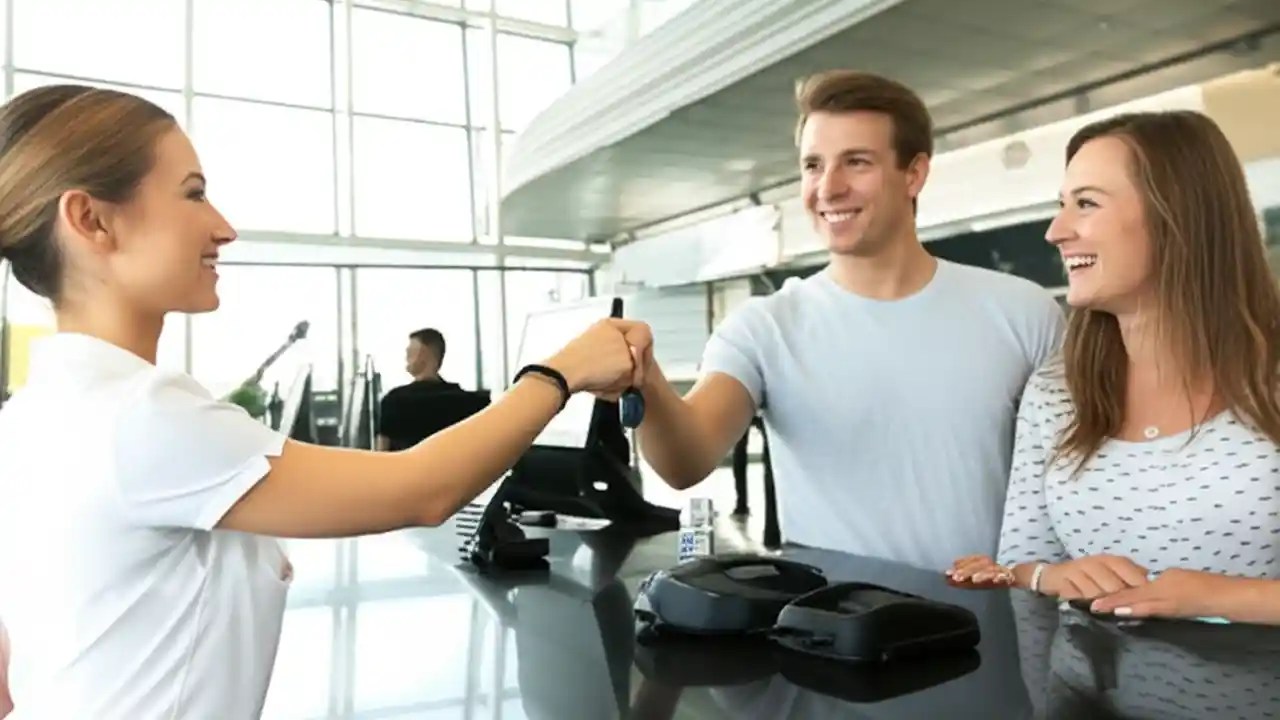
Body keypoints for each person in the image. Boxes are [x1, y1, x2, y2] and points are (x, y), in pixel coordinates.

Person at [0, 85, 651, 717]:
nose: (223, 227)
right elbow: (423, 489)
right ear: (92, 220)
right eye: (193, 194)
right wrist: (561, 371)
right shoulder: (137, 416)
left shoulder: (35, 414)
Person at [635, 70, 1065, 571]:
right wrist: (647, 383)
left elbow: (1079, 481)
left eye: (856, 162)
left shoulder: (1023, 312)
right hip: (834, 633)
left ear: (915, 173)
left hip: (992, 632)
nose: (829, 187)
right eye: (813, 165)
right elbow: (686, 462)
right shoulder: (764, 328)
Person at [947, 110, 1280, 626]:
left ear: (1177, 215)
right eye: (1062, 205)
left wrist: (1220, 596)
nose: (1056, 231)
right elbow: (1019, 569)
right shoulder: (1055, 392)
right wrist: (1048, 577)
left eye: (1086, 204)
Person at [375, 327, 467, 451]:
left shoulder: (395, 401)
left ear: (423, 354)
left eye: (410, 351)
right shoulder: (464, 402)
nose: (406, 357)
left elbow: (382, 456)